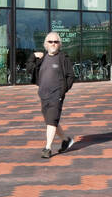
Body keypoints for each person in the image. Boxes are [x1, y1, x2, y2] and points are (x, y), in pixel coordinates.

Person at [26, 32, 76, 160]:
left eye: (56, 42)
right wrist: (33, 56)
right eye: (50, 42)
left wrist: (62, 91)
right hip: (43, 95)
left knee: (52, 120)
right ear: (45, 44)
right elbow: (29, 68)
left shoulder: (63, 58)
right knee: (51, 121)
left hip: (56, 95)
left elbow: (71, 76)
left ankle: (47, 148)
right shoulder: (42, 58)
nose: (53, 44)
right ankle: (66, 140)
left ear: (59, 44)